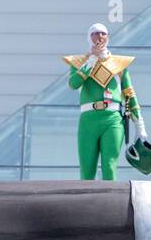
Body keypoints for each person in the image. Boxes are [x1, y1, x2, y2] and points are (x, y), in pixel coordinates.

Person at [63, 23, 146, 181]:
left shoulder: (119, 64)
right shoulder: (79, 62)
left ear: (108, 37)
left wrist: (140, 126)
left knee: (109, 165)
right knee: (87, 169)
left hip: (112, 119)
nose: (99, 37)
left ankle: (112, 203)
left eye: (103, 33)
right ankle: (86, 204)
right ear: (89, 37)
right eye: (95, 33)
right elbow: (73, 84)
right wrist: (92, 59)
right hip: (88, 120)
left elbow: (129, 94)